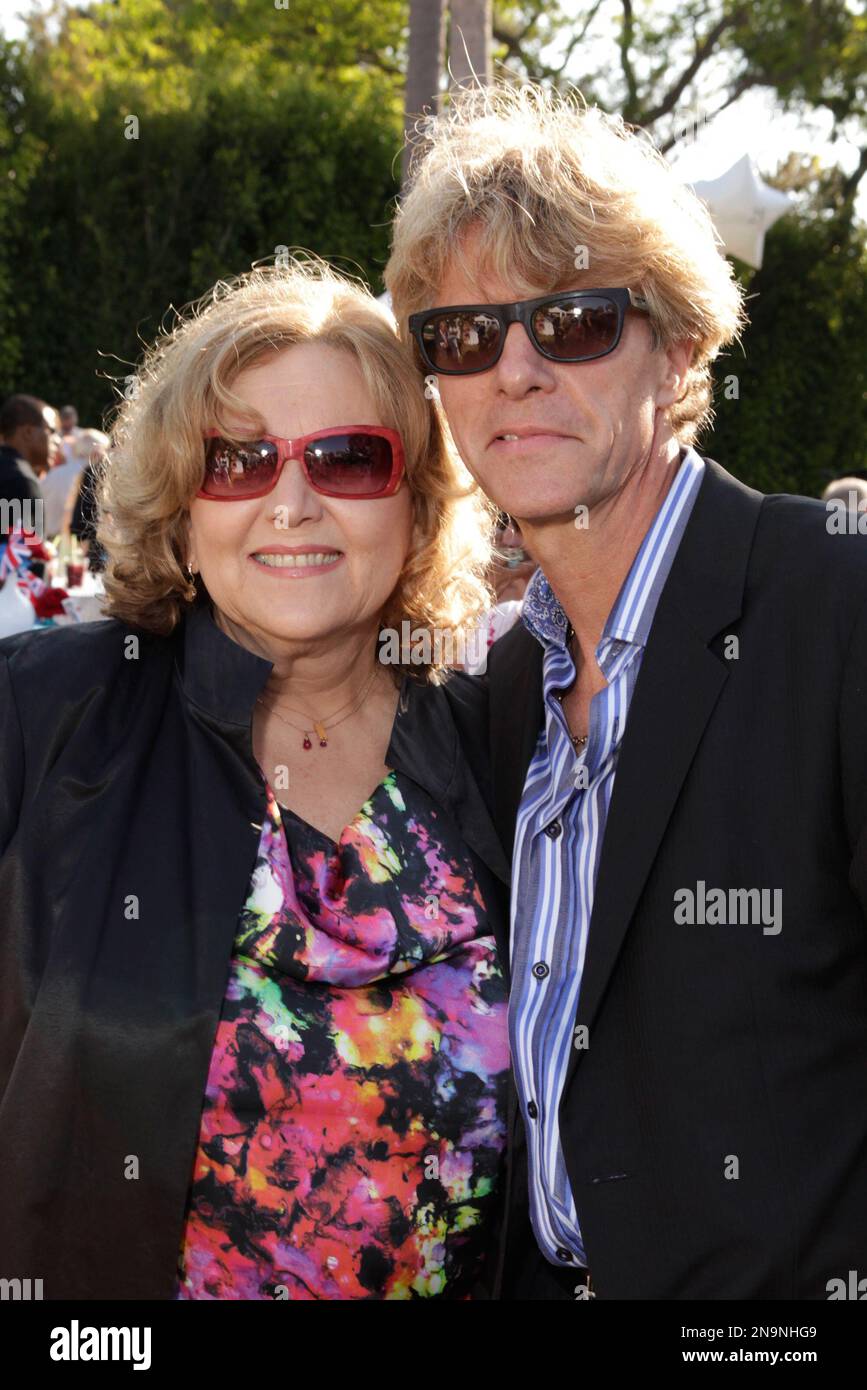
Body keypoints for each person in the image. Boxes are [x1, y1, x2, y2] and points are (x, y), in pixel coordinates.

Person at [385, 81, 867, 1300]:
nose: (516, 371)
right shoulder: (492, 694)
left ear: (683, 342)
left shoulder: (836, 609)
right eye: (463, 335)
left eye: (577, 322)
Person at [0, 259, 511, 1300]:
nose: (290, 501)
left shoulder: (503, 750)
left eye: (347, 458)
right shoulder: (43, 717)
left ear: (414, 504)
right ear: (183, 509)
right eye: (236, 459)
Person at [0, 394, 59, 538]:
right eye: (51, 431)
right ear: (28, 432)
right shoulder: (21, 481)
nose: (57, 440)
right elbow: (29, 553)